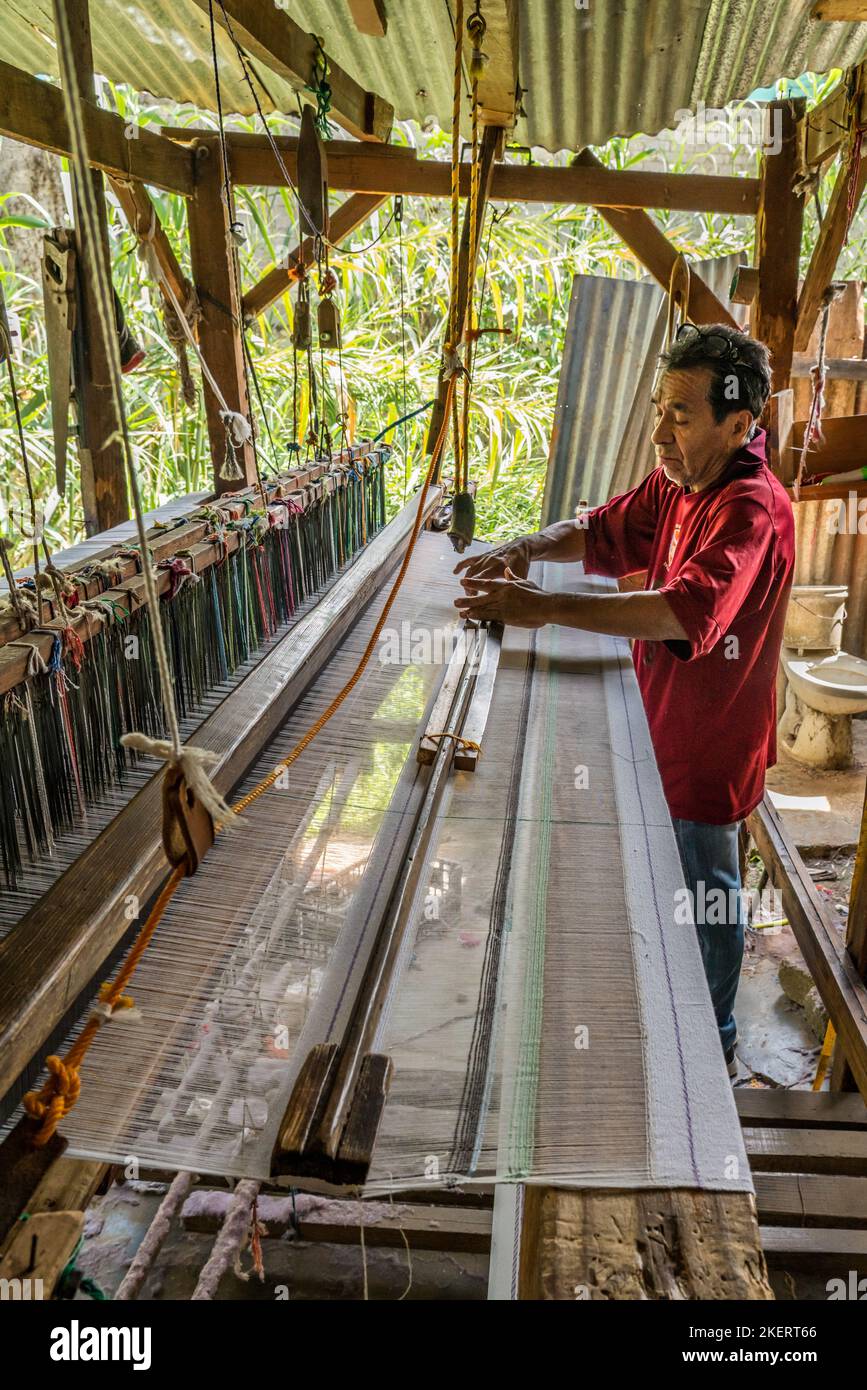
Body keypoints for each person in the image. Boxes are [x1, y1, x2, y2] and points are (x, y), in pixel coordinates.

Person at [455, 323, 795, 1074]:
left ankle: (710, 1052)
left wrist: (540, 606)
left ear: (738, 424)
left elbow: (679, 613)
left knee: (705, 898)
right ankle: (658, 1013)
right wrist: (531, 548)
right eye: (657, 409)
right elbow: (606, 527)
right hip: (656, 726)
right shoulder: (680, 484)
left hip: (704, 751)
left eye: (679, 415)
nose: (658, 434)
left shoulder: (750, 510)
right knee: (662, 885)